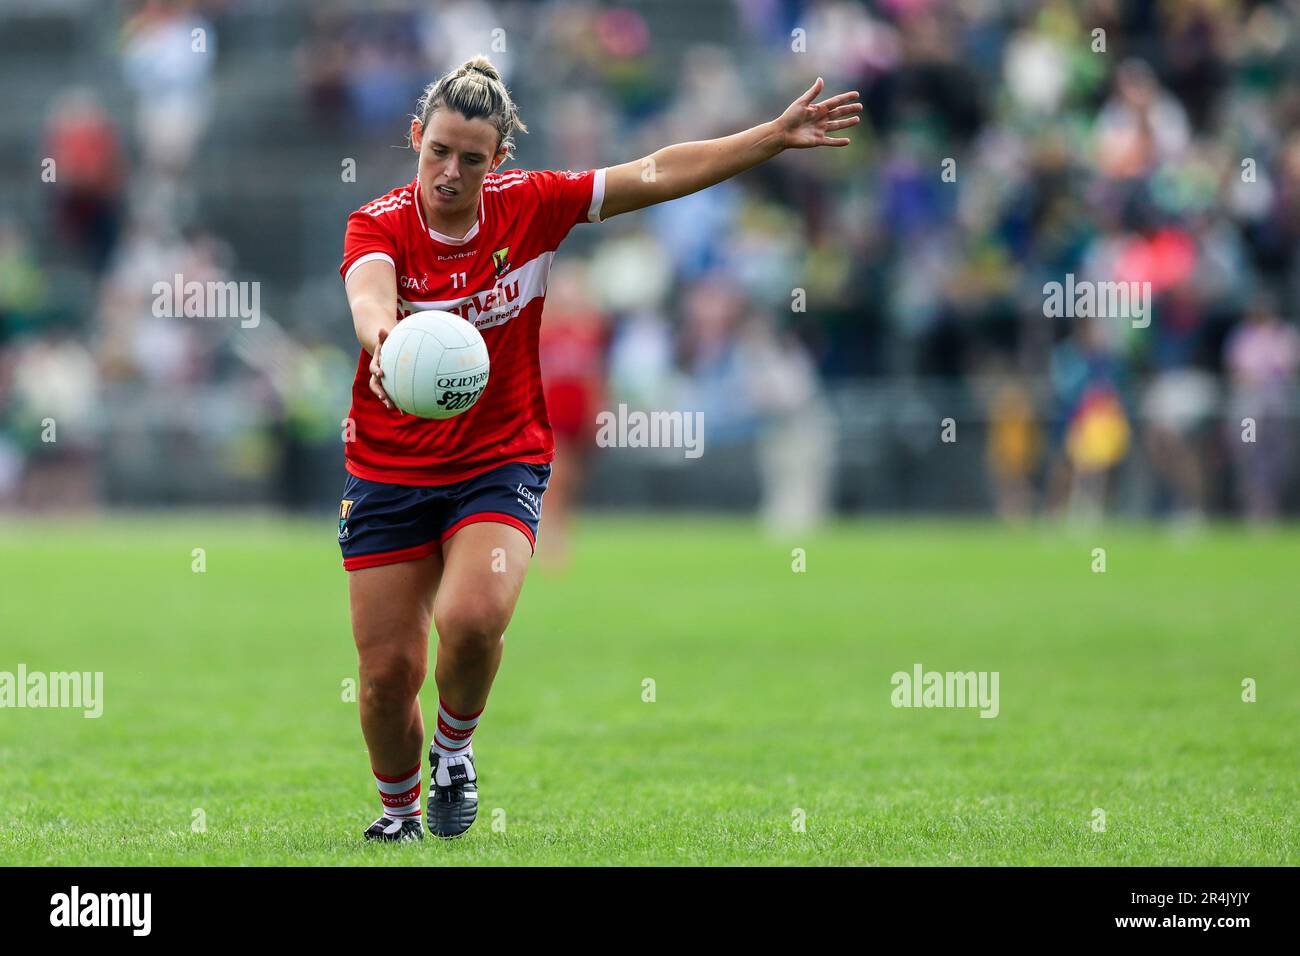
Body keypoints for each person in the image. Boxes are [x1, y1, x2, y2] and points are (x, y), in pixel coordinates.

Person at [338, 55, 860, 841]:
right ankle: (398, 813)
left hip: (498, 459)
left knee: (473, 619)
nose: (450, 171)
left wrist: (772, 138)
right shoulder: (378, 223)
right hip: (387, 467)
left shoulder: (533, 205)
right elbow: (369, 296)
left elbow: (655, 173)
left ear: (498, 161)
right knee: (385, 676)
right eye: (437, 150)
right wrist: (385, 345)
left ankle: (453, 750)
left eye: (471, 158)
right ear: (415, 137)